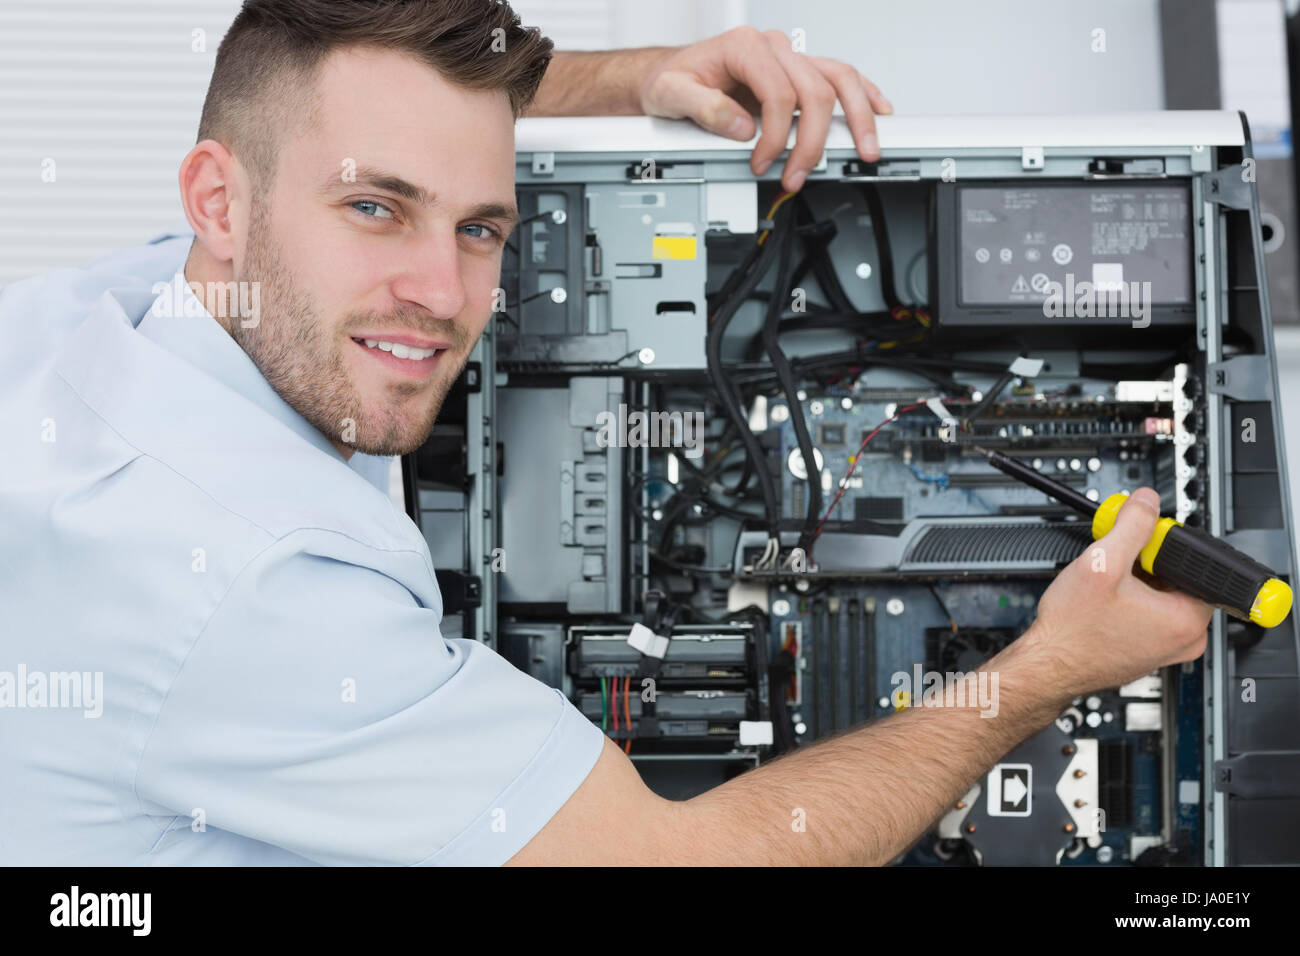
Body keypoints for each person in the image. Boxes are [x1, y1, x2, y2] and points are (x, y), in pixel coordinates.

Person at [0, 0, 1209, 866]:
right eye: (376, 209)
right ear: (220, 195)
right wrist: (1046, 668)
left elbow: (421, 115)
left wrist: (633, 77)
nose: (439, 290)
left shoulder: (121, 314)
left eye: (481, 226)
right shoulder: (253, 585)